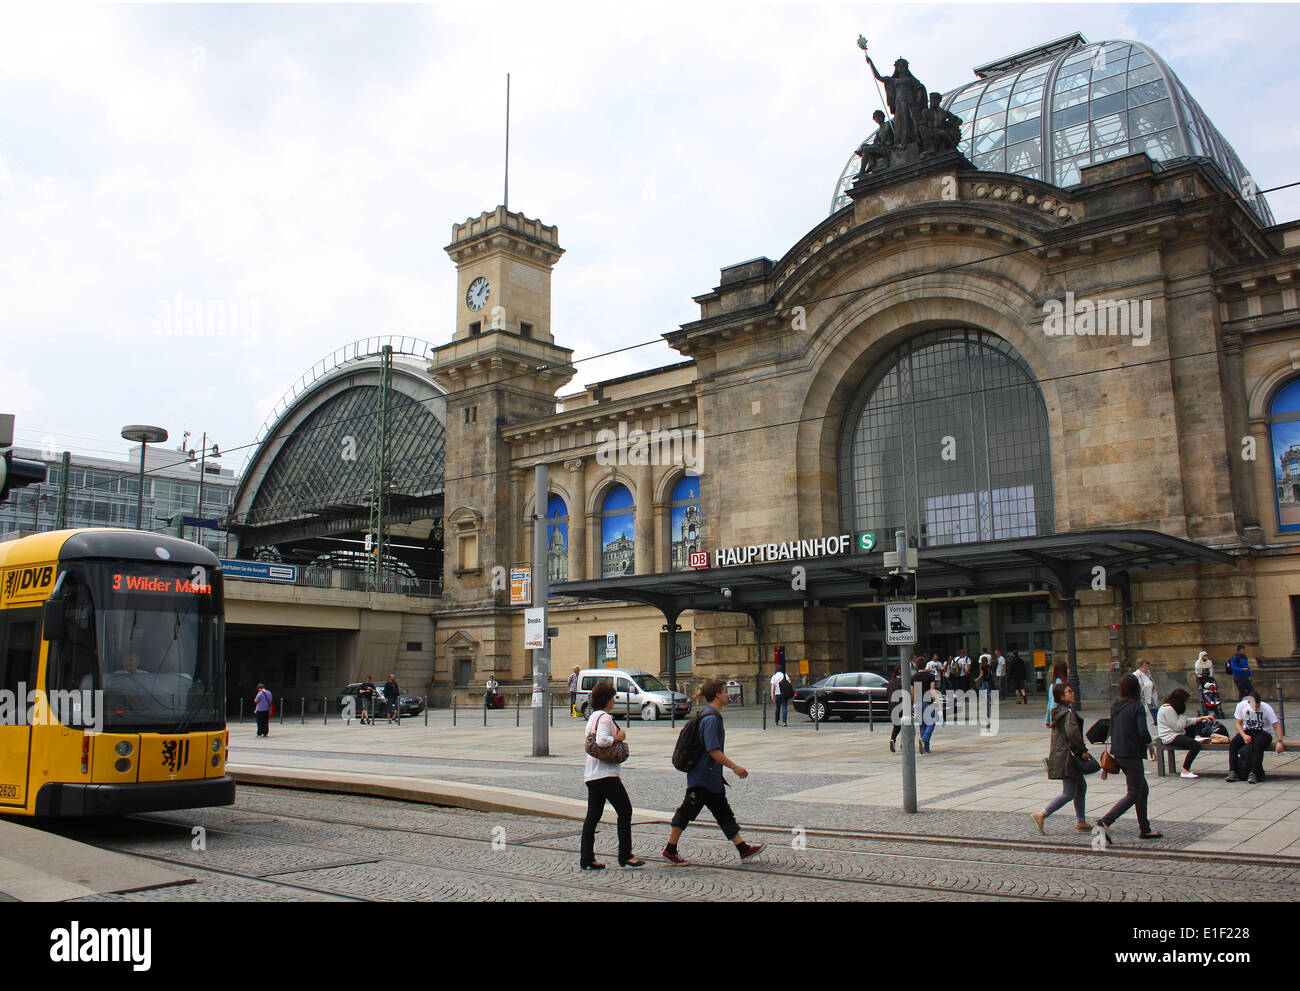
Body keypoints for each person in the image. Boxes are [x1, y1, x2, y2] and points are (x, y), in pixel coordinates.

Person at [662, 677, 765, 866]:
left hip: (711, 778)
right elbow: (713, 750)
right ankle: (670, 850)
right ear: (717, 695)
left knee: (724, 814)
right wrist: (735, 767)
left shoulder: (710, 715)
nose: (727, 694)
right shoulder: (711, 719)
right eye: (725, 691)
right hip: (703, 778)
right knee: (685, 812)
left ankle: (743, 849)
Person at [579, 679, 643, 870]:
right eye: (612, 697)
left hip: (592, 774)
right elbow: (602, 741)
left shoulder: (592, 717)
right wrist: (618, 737)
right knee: (625, 811)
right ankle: (625, 854)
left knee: (593, 816)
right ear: (607, 699)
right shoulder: (605, 718)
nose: (614, 701)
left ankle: (587, 857)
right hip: (606, 774)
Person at [1095, 673, 1161, 844]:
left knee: (1142, 789)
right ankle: (1105, 821)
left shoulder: (1116, 704)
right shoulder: (1137, 706)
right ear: (1136, 689)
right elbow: (1142, 731)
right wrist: (1150, 745)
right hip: (1132, 754)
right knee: (1134, 792)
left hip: (1119, 753)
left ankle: (1144, 829)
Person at [1032, 683, 1092, 834]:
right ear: (1061, 697)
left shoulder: (1060, 711)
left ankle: (1081, 821)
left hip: (1064, 755)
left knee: (1081, 787)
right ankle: (1042, 814)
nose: (1072, 693)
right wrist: (1083, 751)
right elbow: (1073, 735)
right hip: (1068, 757)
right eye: (1069, 692)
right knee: (1068, 793)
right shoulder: (1067, 713)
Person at [1227, 692, 1286, 784]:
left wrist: (1280, 741)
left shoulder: (1266, 708)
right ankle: (1233, 771)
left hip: (1264, 732)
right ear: (1249, 703)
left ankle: (1254, 772)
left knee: (1258, 745)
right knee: (1233, 744)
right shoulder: (1241, 706)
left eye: (1258, 706)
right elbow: (1238, 724)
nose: (1256, 708)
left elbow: (1277, 726)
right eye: (1254, 707)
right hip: (1248, 731)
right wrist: (1244, 735)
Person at [1155, 688, 1215, 778]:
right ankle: (1185, 770)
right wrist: (1182, 714)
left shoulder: (1172, 708)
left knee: (1198, 723)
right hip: (1170, 736)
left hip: (1177, 732)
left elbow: (1187, 722)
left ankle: (1197, 736)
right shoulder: (1168, 709)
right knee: (1195, 745)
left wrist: (1201, 718)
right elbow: (1178, 726)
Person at [1045, 660, 1068, 727]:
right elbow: (1053, 704)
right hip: (1061, 715)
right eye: (1067, 669)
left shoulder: (1053, 684)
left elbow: (1049, 703)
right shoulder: (1060, 684)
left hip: (1058, 715)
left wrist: (1048, 720)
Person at [1135, 658, 1157, 725]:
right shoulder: (1136, 675)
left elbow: (1152, 685)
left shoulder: (1148, 674)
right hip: (1142, 700)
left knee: (1152, 718)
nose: (1147, 668)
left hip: (1151, 699)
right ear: (1140, 666)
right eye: (1145, 666)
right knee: (1147, 718)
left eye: (1147, 666)